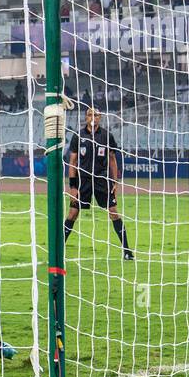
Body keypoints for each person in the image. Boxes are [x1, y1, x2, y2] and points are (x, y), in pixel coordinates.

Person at [63, 106, 135, 261]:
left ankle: (127, 251)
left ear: (100, 118)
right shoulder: (78, 136)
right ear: (86, 117)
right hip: (83, 181)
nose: (93, 117)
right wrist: (73, 187)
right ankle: (59, 250)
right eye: (90, 115)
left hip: (102, 180)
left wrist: (115, 181)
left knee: (114, 212)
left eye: (96, 115)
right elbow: (72, 162)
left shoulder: (107, 136)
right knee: (73, 213)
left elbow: (113, 160)